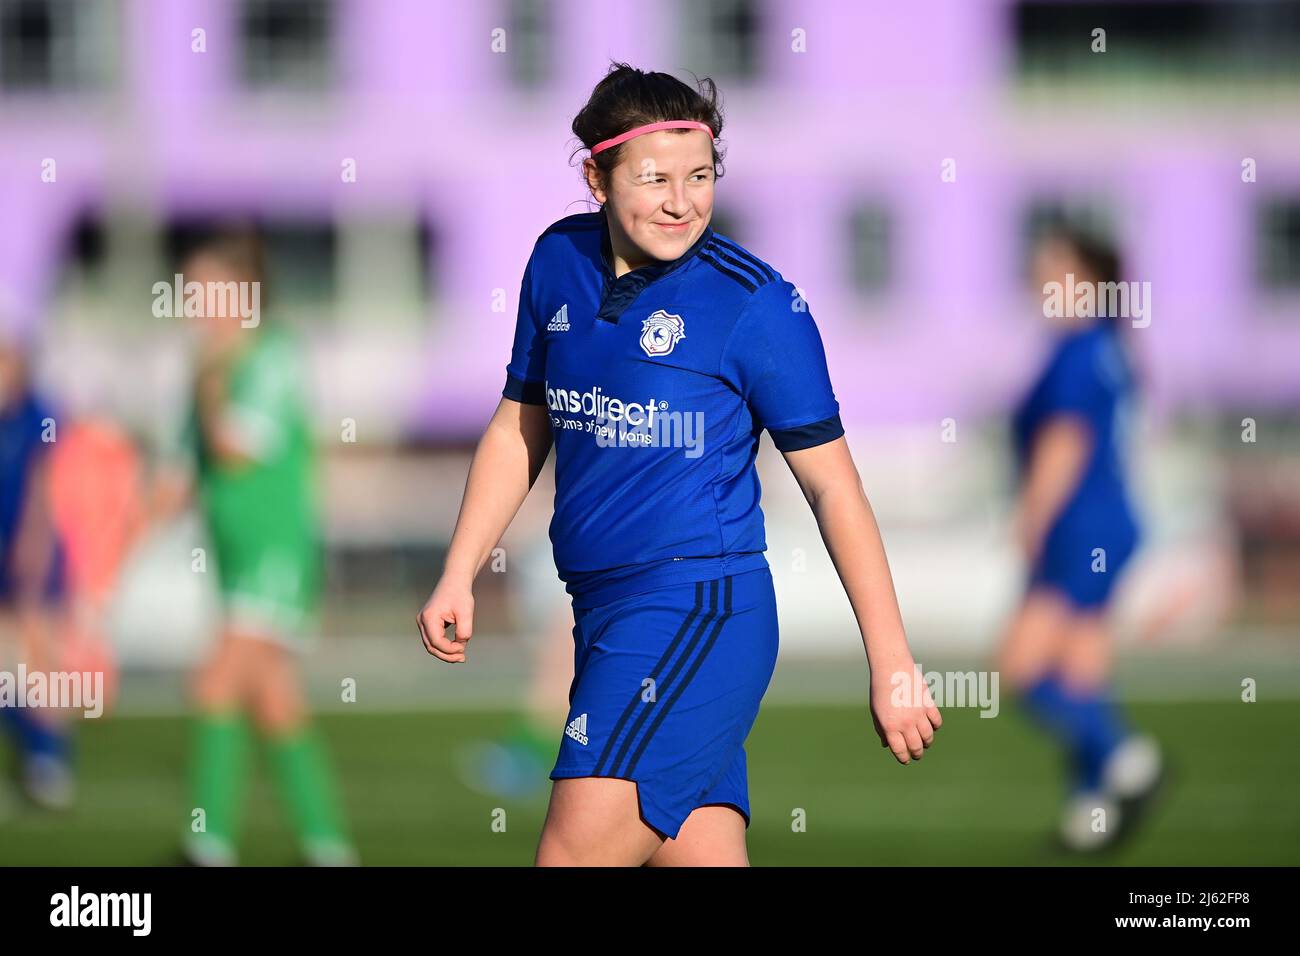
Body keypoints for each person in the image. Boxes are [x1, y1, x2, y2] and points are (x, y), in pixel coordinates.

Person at [417, 63, 940, 866]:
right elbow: (519, 424)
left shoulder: (758, 305)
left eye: (700, 176)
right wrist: (458, 569)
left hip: (697, 614)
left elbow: (835, 487)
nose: (680, 200)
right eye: (654, 177)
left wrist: (892, 658)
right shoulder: (556, 260)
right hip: (600, 612)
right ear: (596, 175)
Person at [156, 229, 356, 866]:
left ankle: (206, 843)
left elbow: (235, 450)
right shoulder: (209, 367)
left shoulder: (271, 354)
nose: (193, 302)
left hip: (275, 555)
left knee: (215, 685)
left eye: (204, 288)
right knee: (275, 706)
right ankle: (330, 848)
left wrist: (210, 384)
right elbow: (177, 481)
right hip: (232, 559)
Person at [999, 224, 1164, 852]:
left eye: (1053, 262)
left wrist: (1032, 516)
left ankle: (1128, 758)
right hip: (1110, 520)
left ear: (1086, 278)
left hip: (1079, 525)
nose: (1040, 273)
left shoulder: (1076, 349)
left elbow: (1065, 440)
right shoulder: (1106, 345)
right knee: (1080, 673)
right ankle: (1091, 813)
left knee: (1020, 668)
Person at [0, 320, 74, 810]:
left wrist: (32, 554)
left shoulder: (40, 416)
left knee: (36, 663)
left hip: (32, 554)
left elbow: (44, 498)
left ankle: (50, 761)